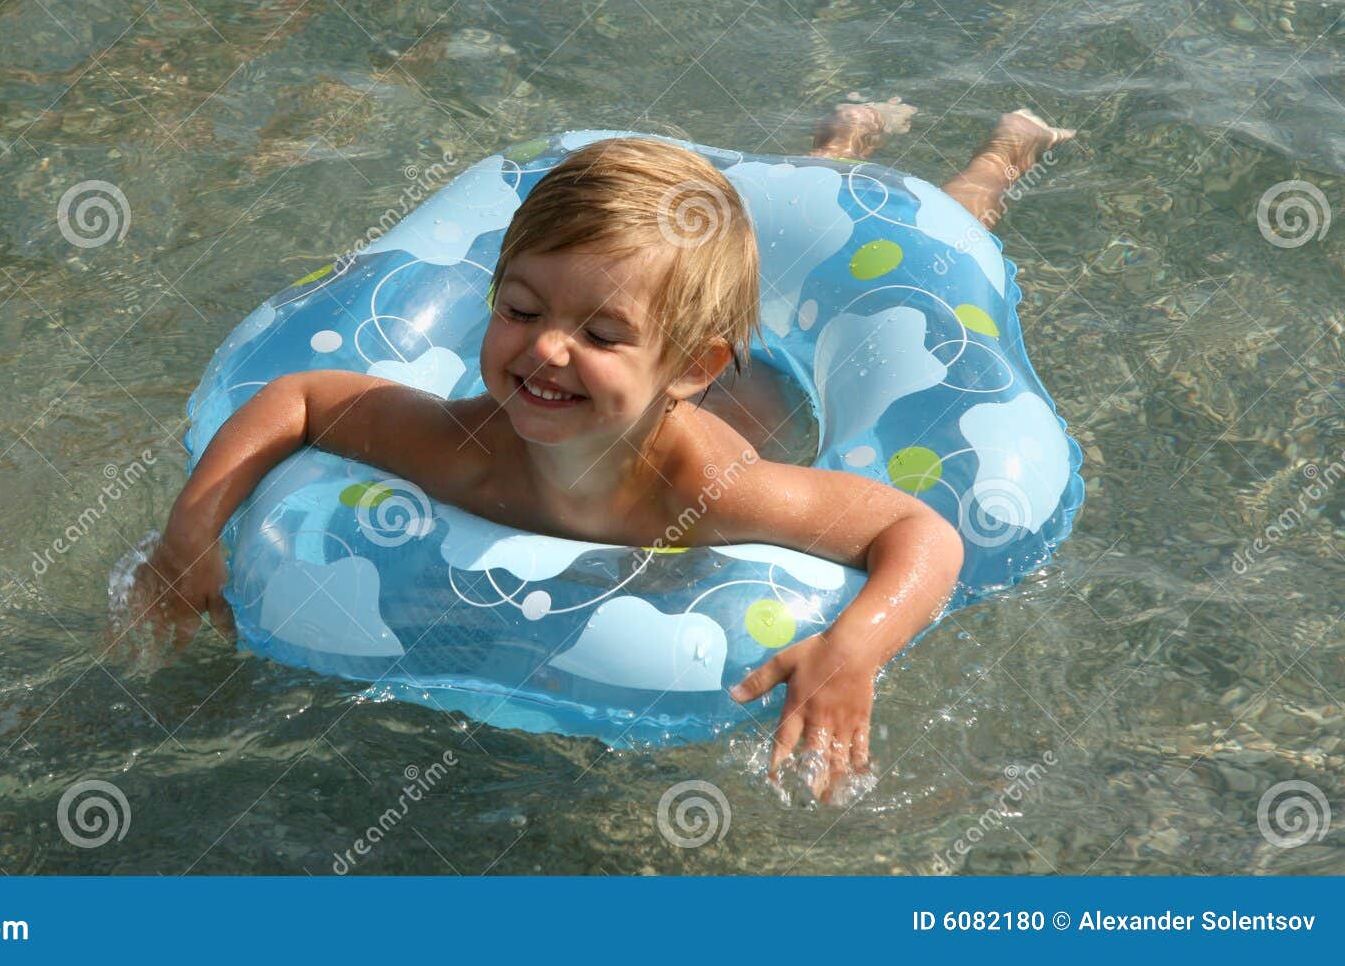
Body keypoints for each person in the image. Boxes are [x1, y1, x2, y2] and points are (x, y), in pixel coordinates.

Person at [125, 100, 1074, 801]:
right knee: (805, 184)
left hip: (763, 396)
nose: (545, 349)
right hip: (699, 358)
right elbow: (296, 398)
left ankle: (1002, 153)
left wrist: (851, 651)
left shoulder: (703, 486)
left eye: (601, 335)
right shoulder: (464, 446)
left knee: (947, 216)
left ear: (691, 366)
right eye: (520, 309)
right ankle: (837, 137)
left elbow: (921, 533)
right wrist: (191, 534)